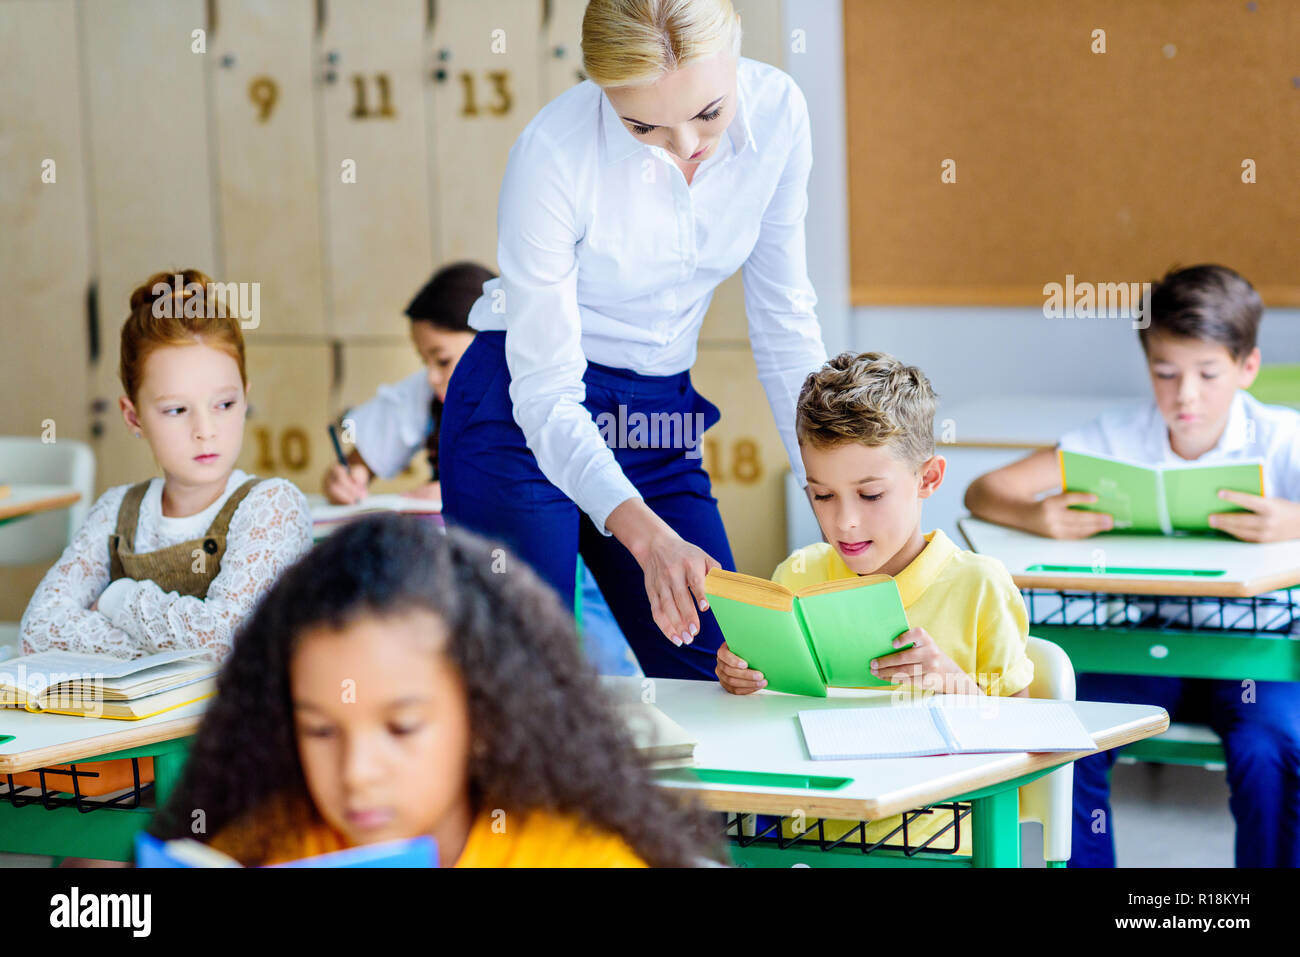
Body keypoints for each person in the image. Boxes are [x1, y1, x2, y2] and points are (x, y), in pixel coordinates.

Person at [440, 0, 828, 680]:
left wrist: (837, 494)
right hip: (520, 413)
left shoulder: (780, 113)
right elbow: (548, 393)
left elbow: (785, 323)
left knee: (726, 675)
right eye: (643, 124)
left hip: (655, 416)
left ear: (736, 49)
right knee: (532, 696)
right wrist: (644, 536)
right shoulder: (554, 153)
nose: (686, 147)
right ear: (600, 87)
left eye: (709, 113)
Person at [149, 515, 722, 867]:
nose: (357, 773)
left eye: (401, 727)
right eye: (320, 730)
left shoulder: (578, 860)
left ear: (484, 720)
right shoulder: (271, 847)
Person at [965, 264, 1300, 867]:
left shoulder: (1282, 438)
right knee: (1073, 736)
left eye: (1207, 374)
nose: (1185, 396)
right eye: (1165, 373)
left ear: (1248, 367)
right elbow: (985, 491)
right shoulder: (1120, 434)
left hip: (1255, 654)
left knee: (1271, 749)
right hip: (1148, 644)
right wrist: (1038, 517)